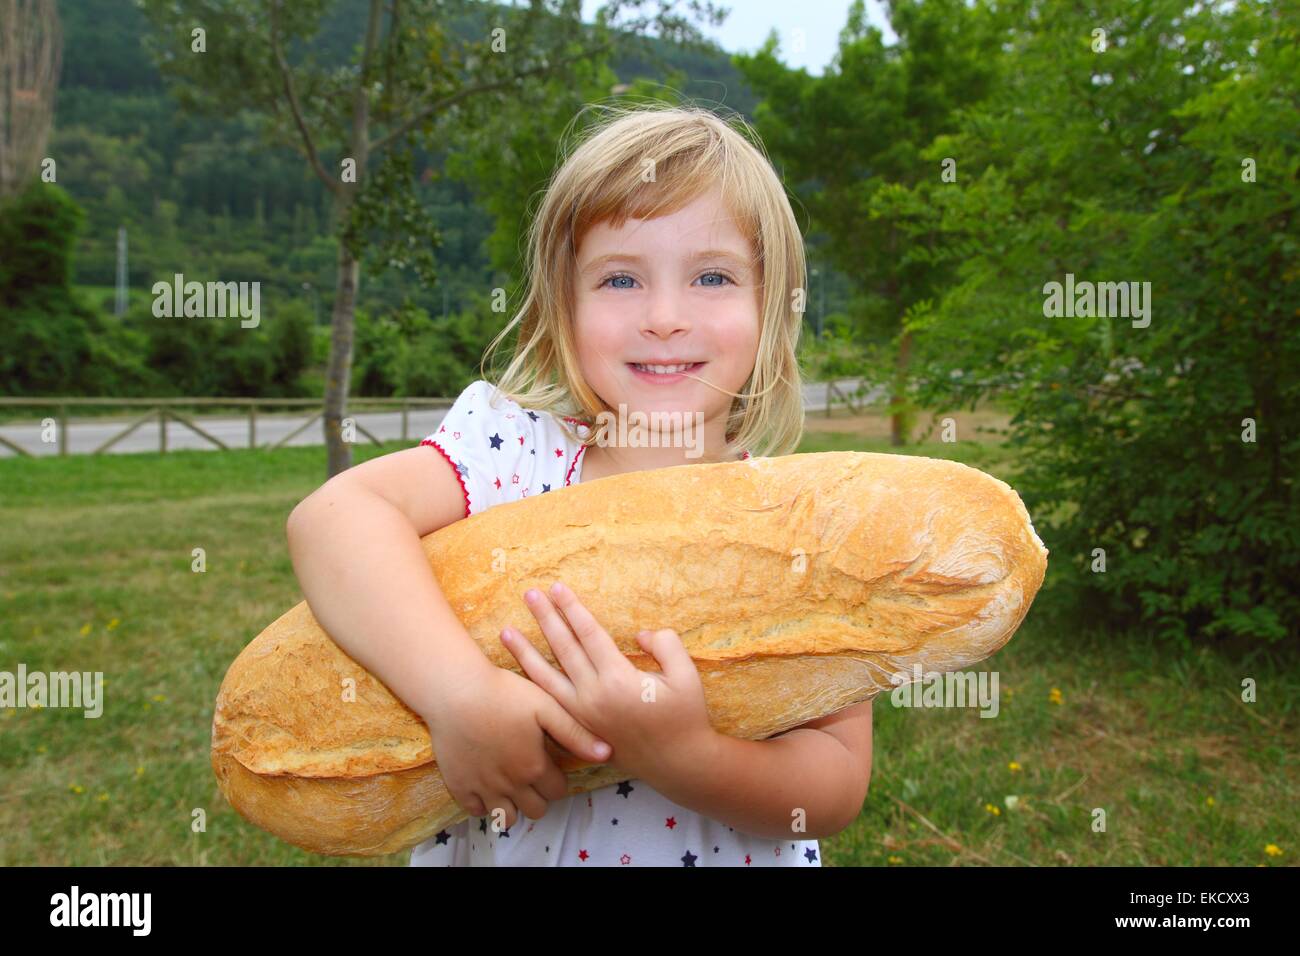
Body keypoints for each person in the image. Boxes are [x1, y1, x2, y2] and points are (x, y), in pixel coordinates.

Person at [286, 104, 873, 866]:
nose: (664, 317)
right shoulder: (512, 452)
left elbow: (832, 783)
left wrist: (686, 757)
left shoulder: (805, 526)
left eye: (713, 276)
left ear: (771, 307)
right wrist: (458, 695)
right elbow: (335, 518)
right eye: (621, 278)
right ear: (565, 303)